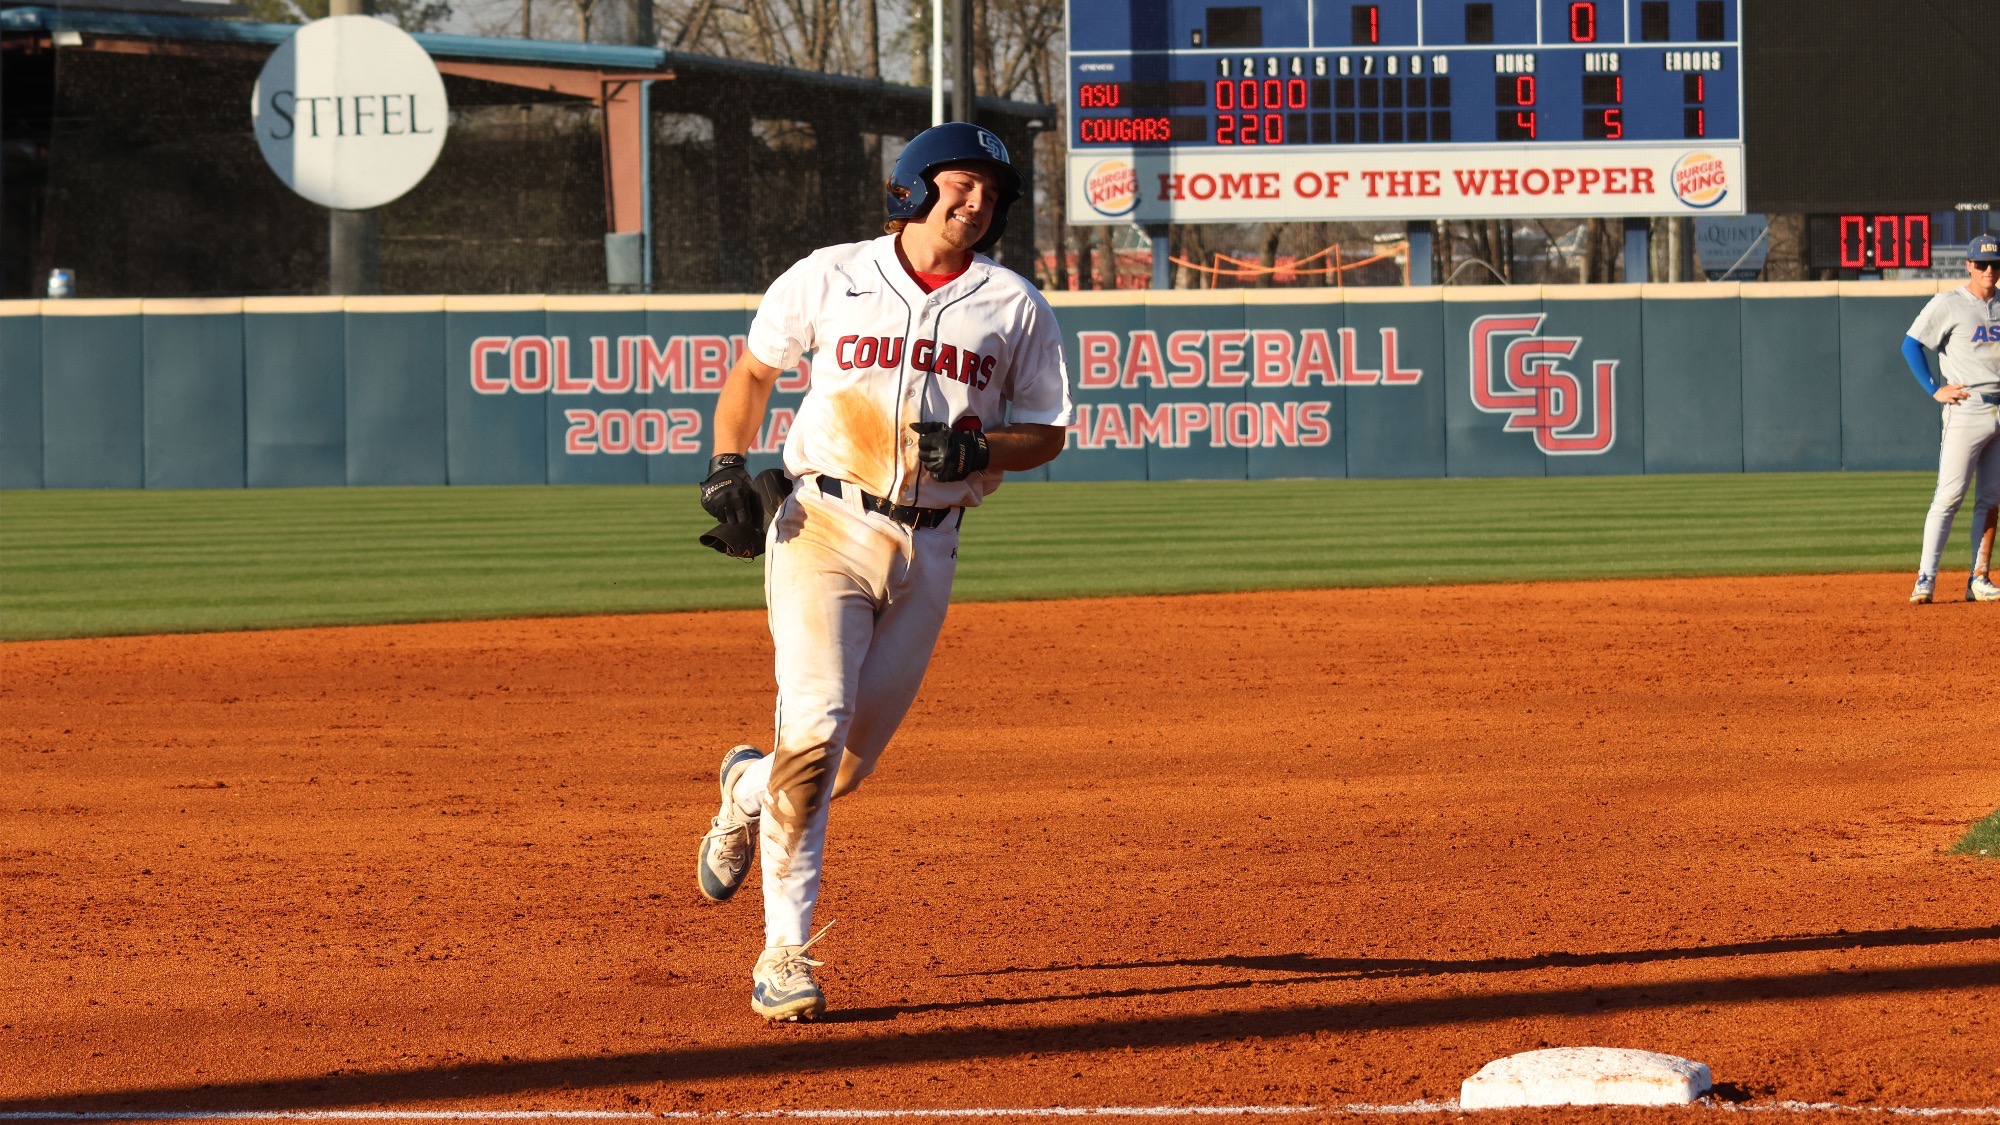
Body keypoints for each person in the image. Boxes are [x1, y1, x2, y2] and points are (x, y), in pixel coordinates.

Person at [691, 122, 1073, 1022]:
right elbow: (752, 372)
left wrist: (982, 443)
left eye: (990, 191)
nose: (973, 202)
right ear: (913, 186)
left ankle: (746, 785)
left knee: (840, 767)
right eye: (959, 183)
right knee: (817, 726)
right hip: (820, 521)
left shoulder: (1012, 305)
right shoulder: (832, 272)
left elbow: (1047, 433)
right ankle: (784, 951)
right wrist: (722, 462)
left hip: (931, 544)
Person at [1903, 234, 2000, 604]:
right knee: (1949, 496)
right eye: (1982, 264)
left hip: (1999, 409)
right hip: (1967, 407)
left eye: (1995, 264)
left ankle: (1979, 577)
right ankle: (1925, 578)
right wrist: (1934, 389)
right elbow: (1911, 343)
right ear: (1969, 266)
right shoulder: (1949, 303)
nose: (1989, 270)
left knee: (1991, 498)